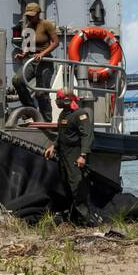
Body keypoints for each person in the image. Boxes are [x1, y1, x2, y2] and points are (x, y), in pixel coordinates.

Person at [44, 89, 93, 224]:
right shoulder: (63, 115)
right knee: (67, 186)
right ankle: (74, 219)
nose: (57, 102)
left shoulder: (80, 115)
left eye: (59, 99)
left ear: (66, 100)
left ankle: (85, 220)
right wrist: (54, 146)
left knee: (77, 187)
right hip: (64, 155)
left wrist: (83, 155)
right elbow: (62, 135)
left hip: (75, 155)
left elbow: (87, 135)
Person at [12, 2, 59, 121]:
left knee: (41, 94)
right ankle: (30, 109)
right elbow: (28, 46)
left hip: (45, 61)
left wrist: (43, 54)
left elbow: (55, 42)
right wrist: (23, 54)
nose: (29, 17)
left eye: (32, 15)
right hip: (31, 60)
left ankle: (46, 121)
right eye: (28, 15)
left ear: (38, 14)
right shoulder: (28, 27)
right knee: (17, 80)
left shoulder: (46, 25)